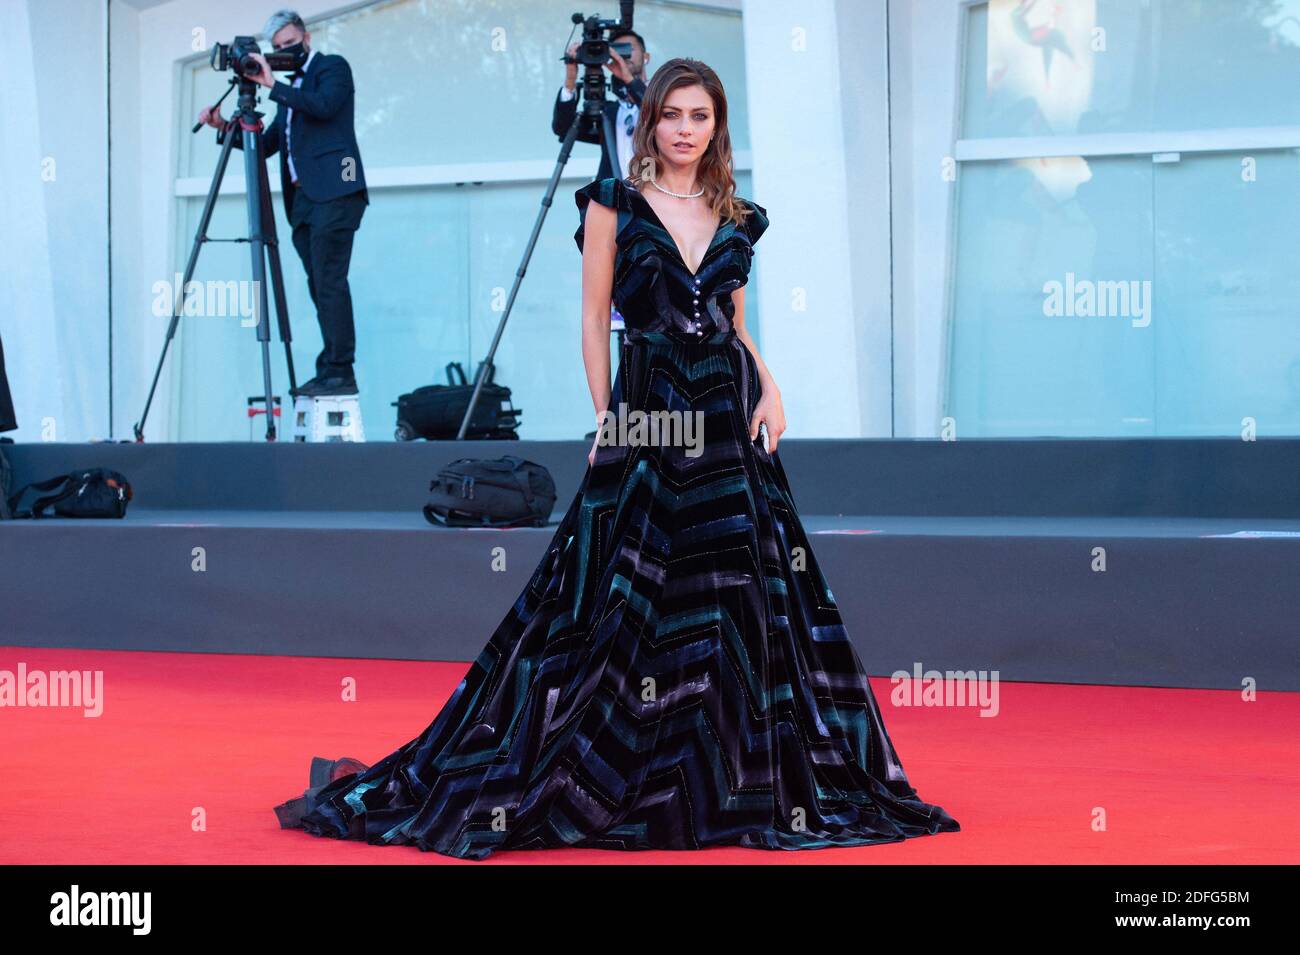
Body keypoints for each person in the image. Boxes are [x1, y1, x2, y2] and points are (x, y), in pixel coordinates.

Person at [273, 58, 960, 859]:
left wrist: (772, 389)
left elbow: (733, 324)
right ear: (649, 122)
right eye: (670, 114)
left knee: (738, 596)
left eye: (698, 116)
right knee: (607, 598)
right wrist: (606, 416)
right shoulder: (613, 204)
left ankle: (725, 773)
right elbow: (594, 319)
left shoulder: (738, 213)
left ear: (717, 125)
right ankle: (613, 767)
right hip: (649, 411)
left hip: (729, 419)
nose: (683, 130)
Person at [198, 9, 368, 398]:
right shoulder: (287, 95)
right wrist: (225, 127)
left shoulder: (332, 69)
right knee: (318, 283)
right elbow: (269, 144)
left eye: (289, 44)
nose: (284, 51)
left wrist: (272, 83)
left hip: (337, 190)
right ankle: (332, 367)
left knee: (329, 281)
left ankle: (340, 371)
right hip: (305, 200)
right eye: (276, 48)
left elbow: (324, 106)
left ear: (306, 39)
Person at [552, 29, 650, 182]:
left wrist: (629, 80)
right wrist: (570, 79)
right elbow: (563, 128)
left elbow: (656, 114)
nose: (622, 55)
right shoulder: (608, 113)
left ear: (646, 57)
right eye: (616, 50)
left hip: (655, 200)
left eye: (628, 48)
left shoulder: (665, 99)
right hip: (612, 202)